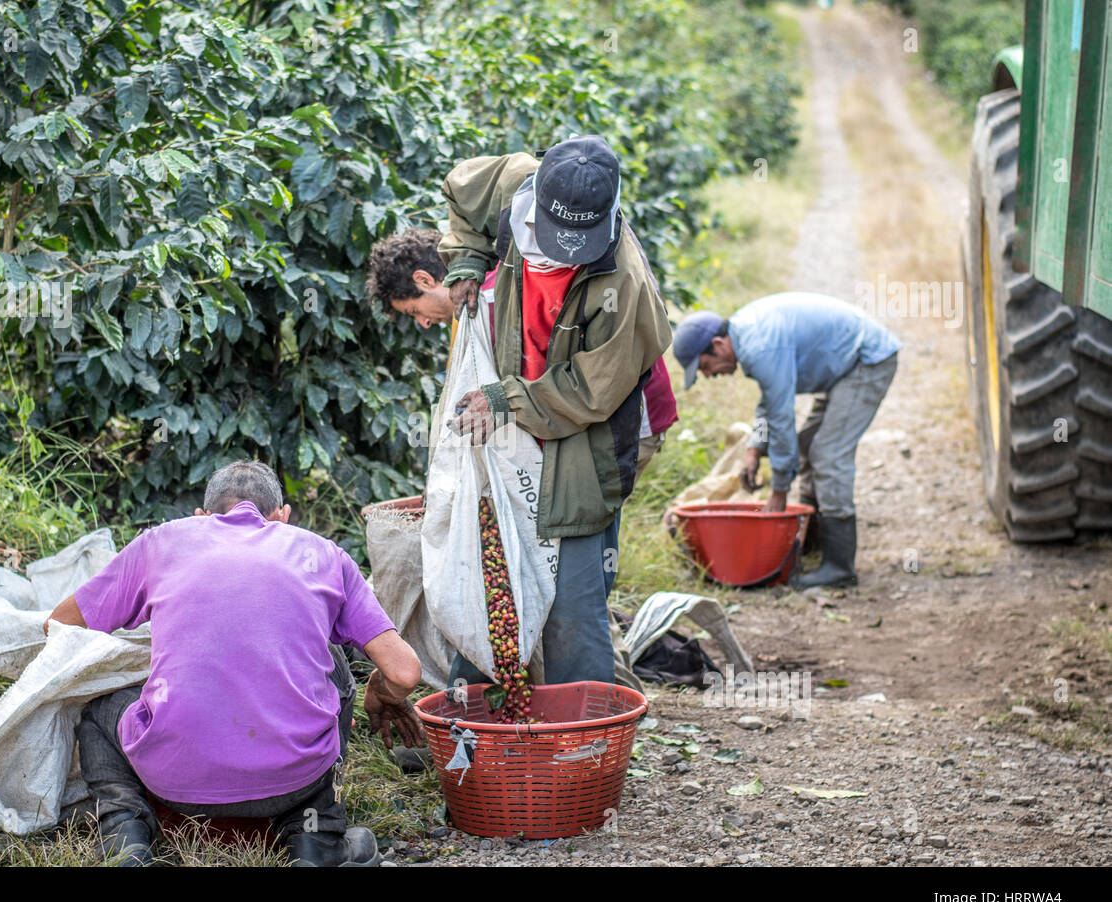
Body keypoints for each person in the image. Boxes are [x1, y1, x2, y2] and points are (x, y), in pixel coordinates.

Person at [44, 460, 425, 866]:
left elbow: (58, 627)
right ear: (282, 518)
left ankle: (126, 840)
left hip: (171, 779)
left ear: (202, 517)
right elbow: (404, 673)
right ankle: (317, 840)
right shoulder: (323, 554)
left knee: (99, 710)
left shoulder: (162, 542)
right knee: (335, 666)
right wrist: (380, 692)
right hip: (294, 781)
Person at [428, 134, 671, 686]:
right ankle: (477, 723)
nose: (562, 251)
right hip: (512, 429)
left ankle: (578, 738)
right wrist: (465, 258)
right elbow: (463, 197)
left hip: (583, 442)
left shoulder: (624, 283)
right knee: (491, 569)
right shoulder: (515, 182)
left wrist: (507, 398)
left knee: (572, 602)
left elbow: (593, 390)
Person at [366, 228, 677, 479]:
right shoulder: (485, 283)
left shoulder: (487, 301)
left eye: (413, 311)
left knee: (583, 526)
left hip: (627, 415)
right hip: (609, 411)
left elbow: (544, 384)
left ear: (424, 280)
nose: (423, 322)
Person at [671, 292, 901, 588]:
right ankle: (812, 541)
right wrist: (754, 449)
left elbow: (781, 418)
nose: (709, 375)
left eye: (705, 367)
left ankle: (839, 566)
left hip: (866, 361)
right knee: (809, 445)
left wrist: (779, 490)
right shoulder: (747, 339)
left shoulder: (760, 347)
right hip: (845, 367)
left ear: (717, 345)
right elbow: (770, 403)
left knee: (828, 454)